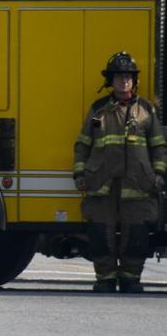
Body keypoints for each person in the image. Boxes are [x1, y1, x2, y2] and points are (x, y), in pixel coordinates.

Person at [73, 51, 166, 293]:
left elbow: (158, 146)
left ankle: (130, 278)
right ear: (110, 81)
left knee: (136, 233)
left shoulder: (146, 110)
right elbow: (83, 144)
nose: (124, 81)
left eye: (128, 77)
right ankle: (104, 278)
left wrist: (159, 174)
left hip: (137, 184)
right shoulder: (98, 109)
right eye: (118, 77)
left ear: (134, 81)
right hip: (101, 183)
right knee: (100, 233)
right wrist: (80, 174)